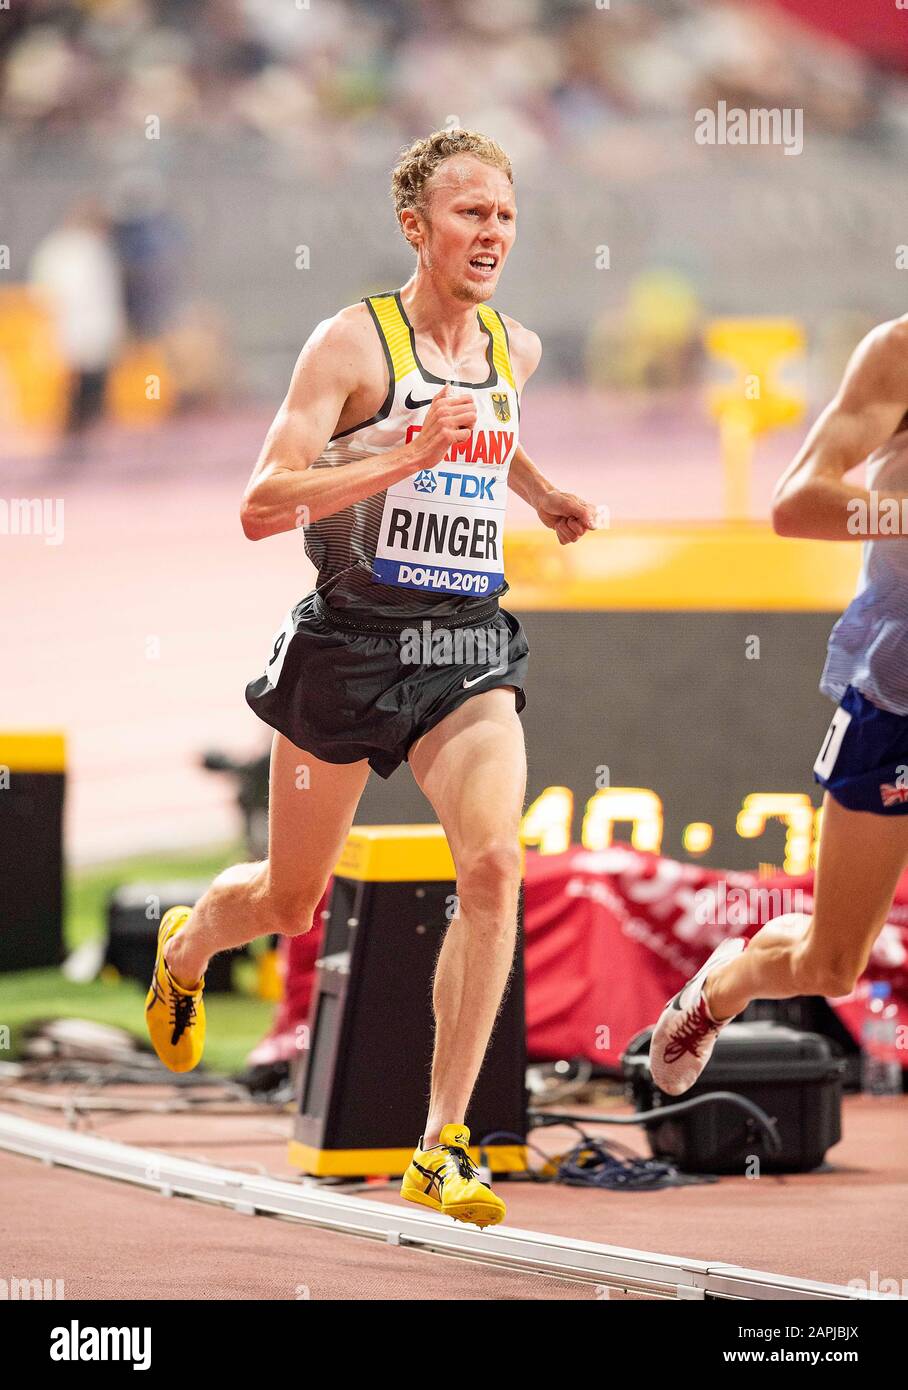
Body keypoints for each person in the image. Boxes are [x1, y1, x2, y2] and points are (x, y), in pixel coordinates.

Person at [145, 128, 597, 1226]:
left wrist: (540, 495)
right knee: (290, 901)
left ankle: (440, 1144)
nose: (491, 232)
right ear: (414, 226)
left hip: (463, 647)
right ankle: (187, 945)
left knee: (493, 864)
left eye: (504, 214)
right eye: (469, 212)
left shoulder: (516, 347)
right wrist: (405, 454)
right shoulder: (350, 344)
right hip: (347, 646)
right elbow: (261, 503)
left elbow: (489, 428)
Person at [651, 315, 908, 1095]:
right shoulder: (898, 352)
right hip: (897, 699)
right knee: (832, 964)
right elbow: (797, 504)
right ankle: (721, 989)